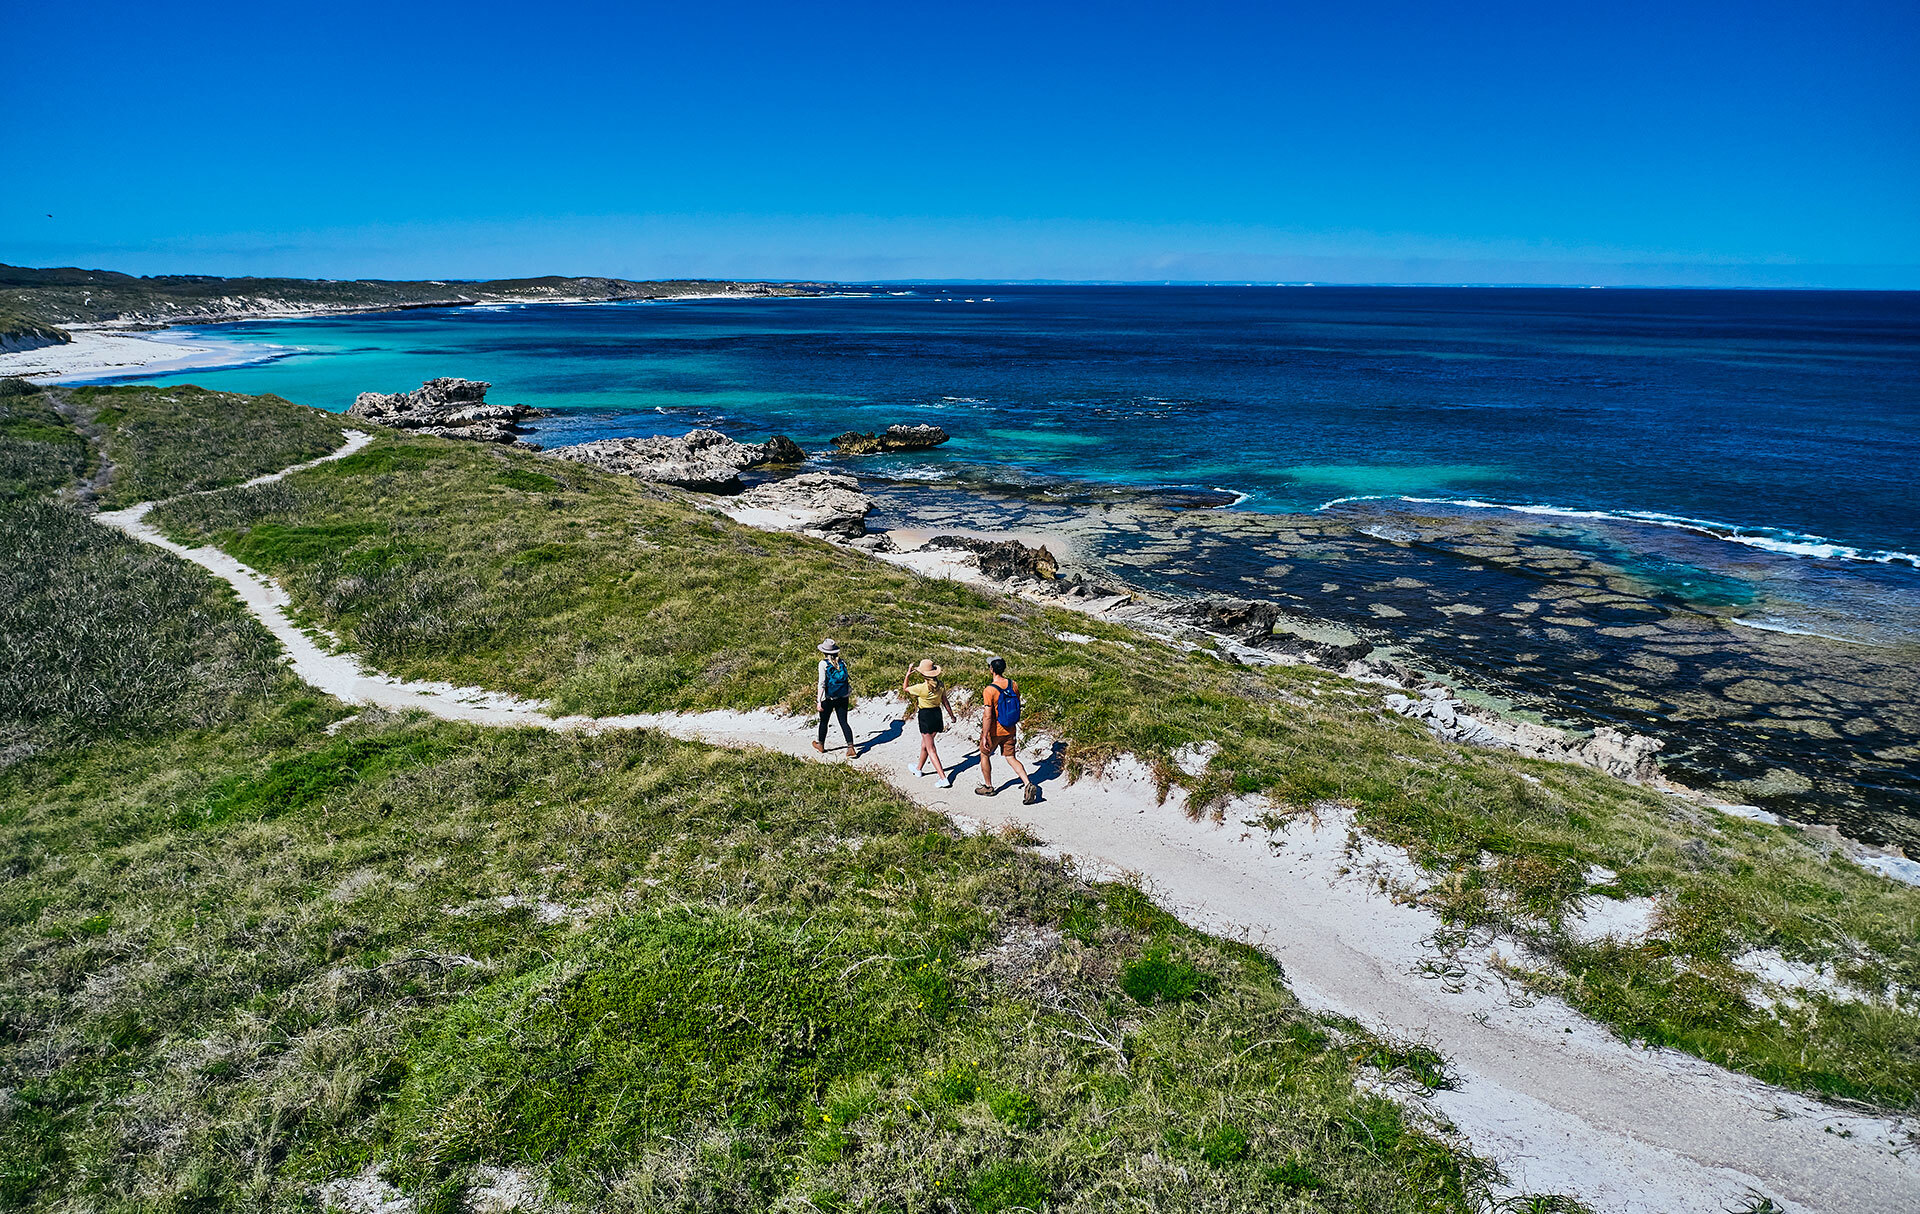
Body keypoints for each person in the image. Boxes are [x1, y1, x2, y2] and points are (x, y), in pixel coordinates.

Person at [976, 656, 1039, 803]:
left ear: (991, 669)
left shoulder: (989, 690)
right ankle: (1027, 783)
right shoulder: (1013, 684)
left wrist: (985, 735)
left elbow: (987, 716)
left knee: (984, 755)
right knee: (1011, 758)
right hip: (1010, 728)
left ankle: (988, 786)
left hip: (994, 731)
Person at [902, 658, 956, 787]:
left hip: (925, 716)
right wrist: (952, 716)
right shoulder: (941, 685)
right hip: (937, 714)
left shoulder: (921, 688)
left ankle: (943, 777)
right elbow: (945, 701)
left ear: (922, 674)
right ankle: (918, 769)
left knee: (931, 749)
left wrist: (908, 674)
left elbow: (905, 688)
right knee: (925, 744)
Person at [813, 638, 857, 757]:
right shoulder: (842, 662)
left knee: (824, 722)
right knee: (843, 722)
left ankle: (821, 745)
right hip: (843, 696)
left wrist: (819, 701)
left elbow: (821, 683)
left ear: (824, 652)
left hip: (828, 697)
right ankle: (851, 747)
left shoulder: (823, 664)